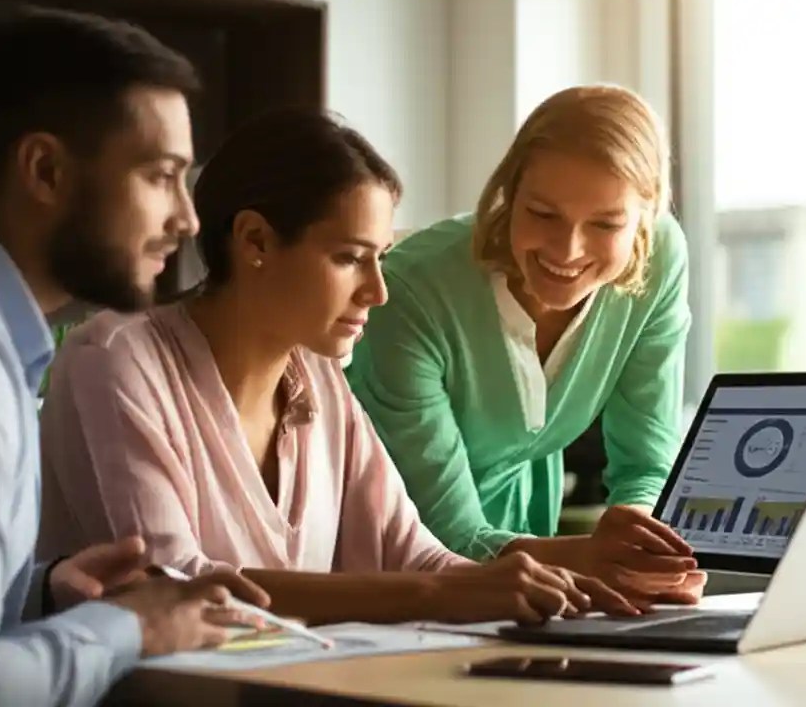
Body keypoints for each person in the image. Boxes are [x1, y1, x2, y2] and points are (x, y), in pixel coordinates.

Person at [37, 108, 638, 627]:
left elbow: (417, 557)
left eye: (381, 259)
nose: (377, 291)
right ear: (255, 242)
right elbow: (176, 585)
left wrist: (563, 587)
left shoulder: (318, 377)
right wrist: (438, 594)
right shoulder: (116, 360)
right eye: (350, 259)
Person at [0, 10, 271, 706]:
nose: (189, 221)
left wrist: (40, 590)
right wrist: (125, 628)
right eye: (161, 176)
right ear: (44, 170)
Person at [347, 85, 705, 605]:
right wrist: (595, 559)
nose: (567, 250)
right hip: (390, 575)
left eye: (606, 224)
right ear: (509, 192)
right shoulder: (411, 291)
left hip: (531, 570)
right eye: (542, 213)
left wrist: (643, 547)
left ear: (645, 216)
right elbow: (444, 534)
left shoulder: (659, 258)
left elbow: (646, 460)